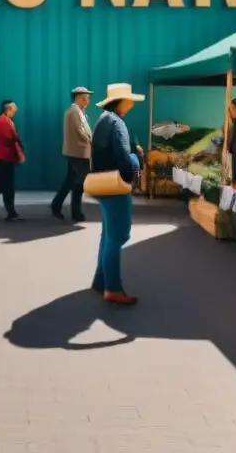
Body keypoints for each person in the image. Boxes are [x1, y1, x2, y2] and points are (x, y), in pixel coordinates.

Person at [90, 83, 144, 306]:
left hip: (102, 183)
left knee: (108, 233)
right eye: (129, 99)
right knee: (118, 235)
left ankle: (101, 280)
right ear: (120, 101)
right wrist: (136, 164)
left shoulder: (103, 119)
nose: (132, 103)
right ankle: (112, 288)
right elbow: (123, 157)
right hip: (115, 185)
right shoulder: (117, 123)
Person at [51, 86, 93, 222]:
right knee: (76, 182)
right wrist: (93, 141)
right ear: (79, 97)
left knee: (74, 182)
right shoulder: (75, 112)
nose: (88, 99)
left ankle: (68, 209)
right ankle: (65, 208)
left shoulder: (79, 111)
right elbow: (81, 131)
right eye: (86, 97)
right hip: (78, 152)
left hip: (78, 152)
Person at [0, 100, 24, 221]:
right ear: (8, 109)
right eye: (14, 108)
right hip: (3, 157)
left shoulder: (7, 120)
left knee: (0, 184)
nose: (16, 110)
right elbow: (9, 139)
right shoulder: (3, 121)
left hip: (5, 157)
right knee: (7, 185)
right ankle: (11, 213)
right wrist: (18, 144)